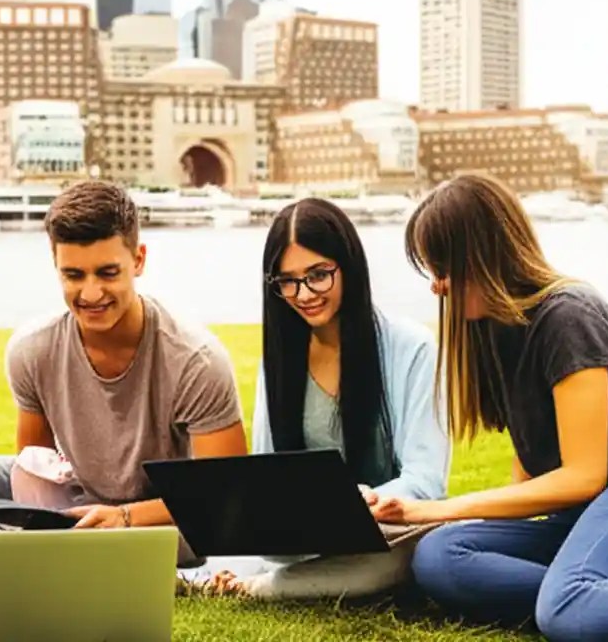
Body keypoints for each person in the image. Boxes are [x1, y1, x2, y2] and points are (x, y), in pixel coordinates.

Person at [374, 172, 608, 640]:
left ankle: (600, 598)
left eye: (443, 267)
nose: (437, 286)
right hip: (590, 515)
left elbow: (583, 474)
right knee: (441, 557)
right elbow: (530, 459)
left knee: (562, 605)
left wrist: (428, 511)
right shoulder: (490, 331)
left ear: (485, 254)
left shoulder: (569, 314)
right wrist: (434, 520)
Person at [0, 180, 247, 544]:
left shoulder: (197, 361)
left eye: (107, 273)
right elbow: (38, 470)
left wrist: (124, 517)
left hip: (164, 518)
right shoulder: (32, 351)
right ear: (56, 266)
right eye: (73, 275)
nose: (90, 293)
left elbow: (224, 493)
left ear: (139, 260)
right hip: (79, 503)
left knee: (209, 531)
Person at [188, 198, 450, 599]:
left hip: (390, 532)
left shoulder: (411, 347)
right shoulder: (278, 360)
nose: (304, 293)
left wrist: (367, 502)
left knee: (412, 553)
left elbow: (425, 479)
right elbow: (268, 476)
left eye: (318, 275)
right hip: (301, 542)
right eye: (287, 281)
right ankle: (243, 578)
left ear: (349, 266)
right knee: (215, 549)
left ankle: (258, 589)